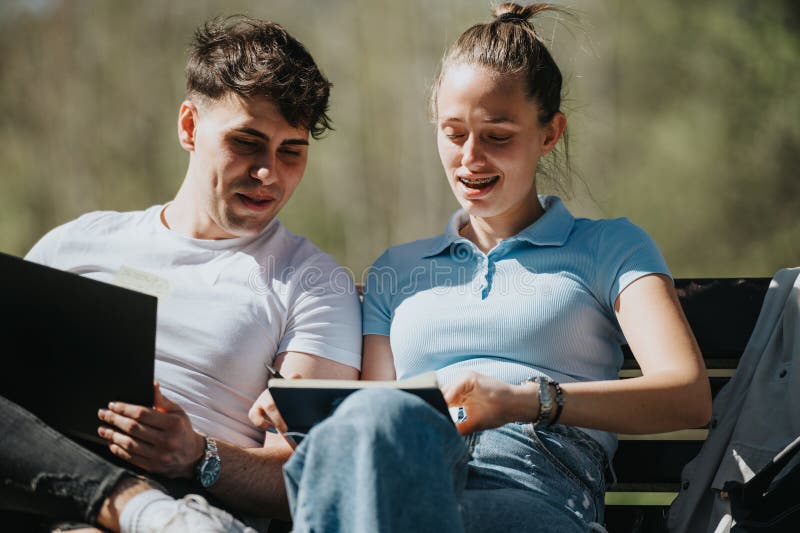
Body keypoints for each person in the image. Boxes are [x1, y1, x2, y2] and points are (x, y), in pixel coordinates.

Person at [250, 3, 712, 532]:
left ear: (550, 133)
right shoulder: (397, 270)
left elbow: (687, 395)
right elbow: (379, 414)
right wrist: (307, 412)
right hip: (406, 474)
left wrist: (522, 401)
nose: (471, 158)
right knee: (367, 431)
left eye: (497, 136)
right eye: (453, 134)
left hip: (533, 479)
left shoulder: (610, 247)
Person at [0, 15, 361, 533]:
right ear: (190, 127)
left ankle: (138, 508)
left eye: (291, 152)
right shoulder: (77, 242)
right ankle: (127, 503)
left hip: (185, 504)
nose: (269, 174)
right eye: (246, 142)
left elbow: (306, 476)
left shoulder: (312, 284)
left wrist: (197, 455)